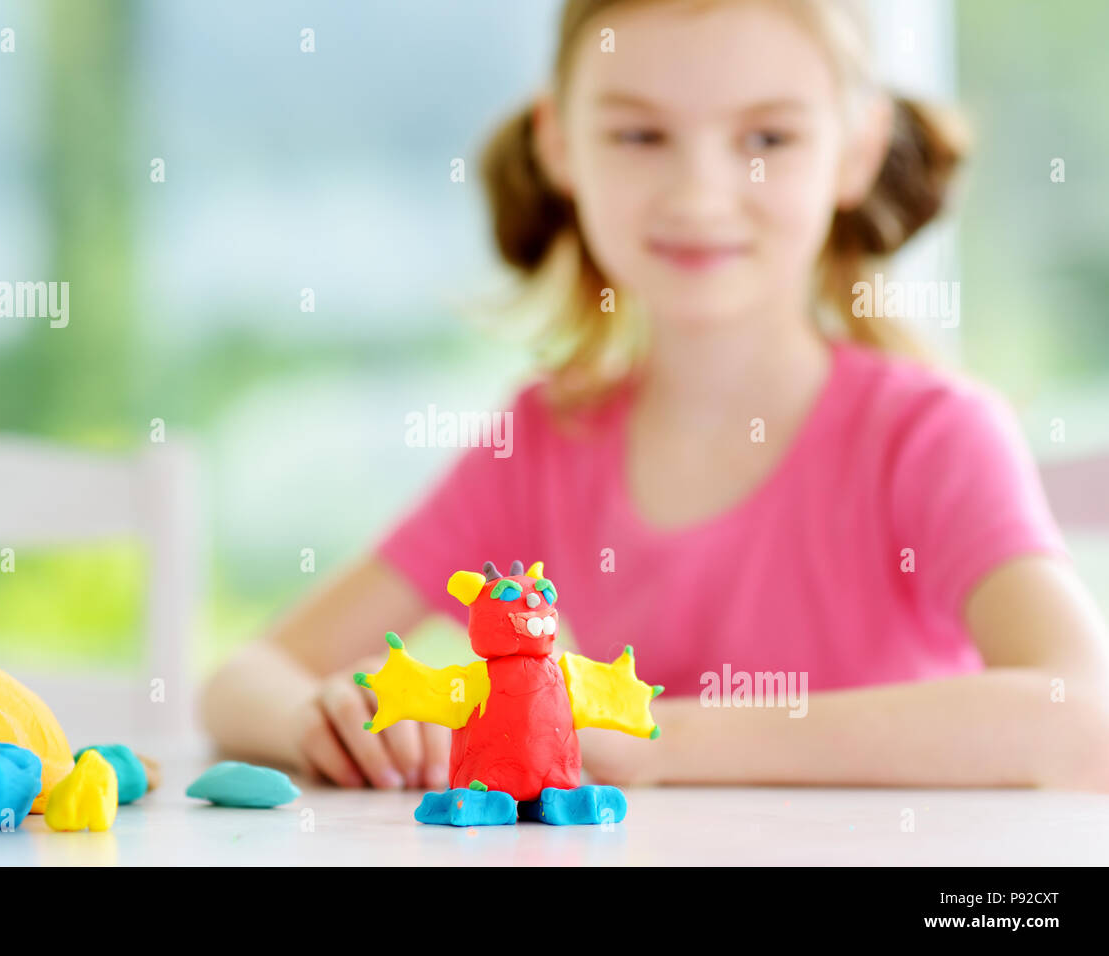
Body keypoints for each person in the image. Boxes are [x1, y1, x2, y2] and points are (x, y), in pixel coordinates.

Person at [202, 0, 1109, 792]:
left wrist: (654, 737)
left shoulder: (929, 439)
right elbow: (244, 677)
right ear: (559, 144)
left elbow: (1080, 718)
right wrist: (324, 721)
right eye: (639, 136)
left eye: (768, 139)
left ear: (858, 151)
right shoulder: (543, 443)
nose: (699, 194)